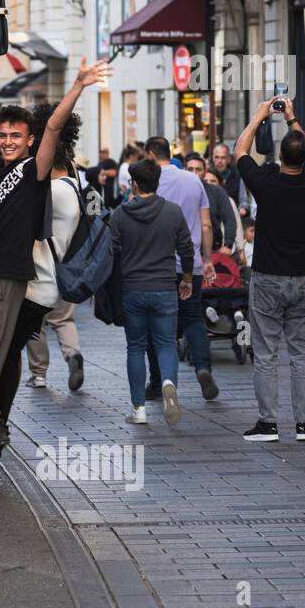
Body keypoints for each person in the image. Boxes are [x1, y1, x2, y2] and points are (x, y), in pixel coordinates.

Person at [0, 58, 111, 456]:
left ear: (31, 140)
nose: (8, 140)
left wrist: (78, 85)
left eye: (16, 135)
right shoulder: (6, 177)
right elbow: (0, 209)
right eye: (3, 134)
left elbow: (54, 127)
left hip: (15, 281)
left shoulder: (34, 172)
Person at [234, 98, 305, 443]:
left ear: (281, 158)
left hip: (268, 278)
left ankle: (268, 424)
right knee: (303, 353)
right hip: (304, 278)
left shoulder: (266, 183)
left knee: (266, 352)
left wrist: (260, 115)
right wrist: (292, 117)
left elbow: (240, 151)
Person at [110, 159, 194, 425]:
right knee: (166, 344)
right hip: (164, 288)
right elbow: (186, 249)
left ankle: (139, 409)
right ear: (157, 182)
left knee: (135, 347)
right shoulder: (173, 212)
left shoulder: (120, 215)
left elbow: (111, 251)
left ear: (134, 184)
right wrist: (187, 280)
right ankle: (168, 381)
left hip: (133, 289)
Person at [141, 136, 219, 402]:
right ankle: (203, 368)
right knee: (193, 318)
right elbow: (206, 224)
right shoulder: (193, 179)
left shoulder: (148, 182)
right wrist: (207, 259)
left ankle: (156, 382)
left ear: (150, 154)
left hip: (157, 265)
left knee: (156, 326)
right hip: (191, 264)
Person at [24, 105, 86, 394]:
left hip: (41, 265)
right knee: (64, 317)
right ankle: (73, 355)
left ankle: (38, 374)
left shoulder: (46, 189)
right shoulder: (75, 179)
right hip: (69, 264)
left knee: (36, 321)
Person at [183, 154, 236, 256]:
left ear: (205, 171)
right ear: (184, 170)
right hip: (184, 250)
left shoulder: (216, 191)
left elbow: (229, 217)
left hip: (213, 250)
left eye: (198, 169)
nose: (194, 173)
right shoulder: (178, 191)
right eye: (190, 169)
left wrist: (228, 244)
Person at [212, 142, 246, 213]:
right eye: (217, 157)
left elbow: (243, 200)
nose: (219, 161)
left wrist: (243, 208)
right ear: (213, 158)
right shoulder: (207, 175)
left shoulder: (237, 176)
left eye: (223, 158)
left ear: (228, 159)